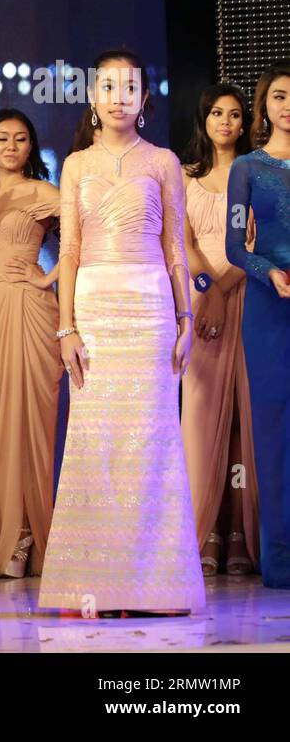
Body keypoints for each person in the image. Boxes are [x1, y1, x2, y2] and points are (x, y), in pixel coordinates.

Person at [40, 48, 204, 615]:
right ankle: (100, 587)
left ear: (143, 98)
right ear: (92, 97)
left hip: (152, 310)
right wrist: (66, 328)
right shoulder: (77, 165)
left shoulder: (162, 162)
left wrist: (186, 319)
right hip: (93, 310)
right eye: (107, 87)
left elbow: (175, 247)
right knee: (97, 443)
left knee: (152, 443)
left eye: (128, 87)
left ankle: (158, 587)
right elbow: (72, 249)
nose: (118, 97)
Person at [0, 108, 61, 578]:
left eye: (21, 139)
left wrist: (51, 276)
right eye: (1, 138)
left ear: (31, 147)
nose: (10, 146)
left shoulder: (44, 191)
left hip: (28, 307)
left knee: (25, 422)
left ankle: (25, 534)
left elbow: (88, 238)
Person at [179, 84, 257, 576]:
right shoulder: (184, 177)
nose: (224, 122)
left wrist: (225, 290)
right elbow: (181, 243)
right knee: (202, 418)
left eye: (234, 114)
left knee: (243, 419)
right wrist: (207, 291)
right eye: (216, 113)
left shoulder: (257, 174)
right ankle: (204, 530)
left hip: (249, 295)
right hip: (200, 301)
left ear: (244, 123)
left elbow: (259, 240)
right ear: (203, 120)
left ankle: (242, 535)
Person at [226, 61, 290, 589]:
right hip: (268, 306)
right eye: (278, 96)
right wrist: (269, 271)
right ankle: (281, 558)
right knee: (271, 427)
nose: (287, 105)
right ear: (264, 106)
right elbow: (232, 248)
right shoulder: (247, 167)